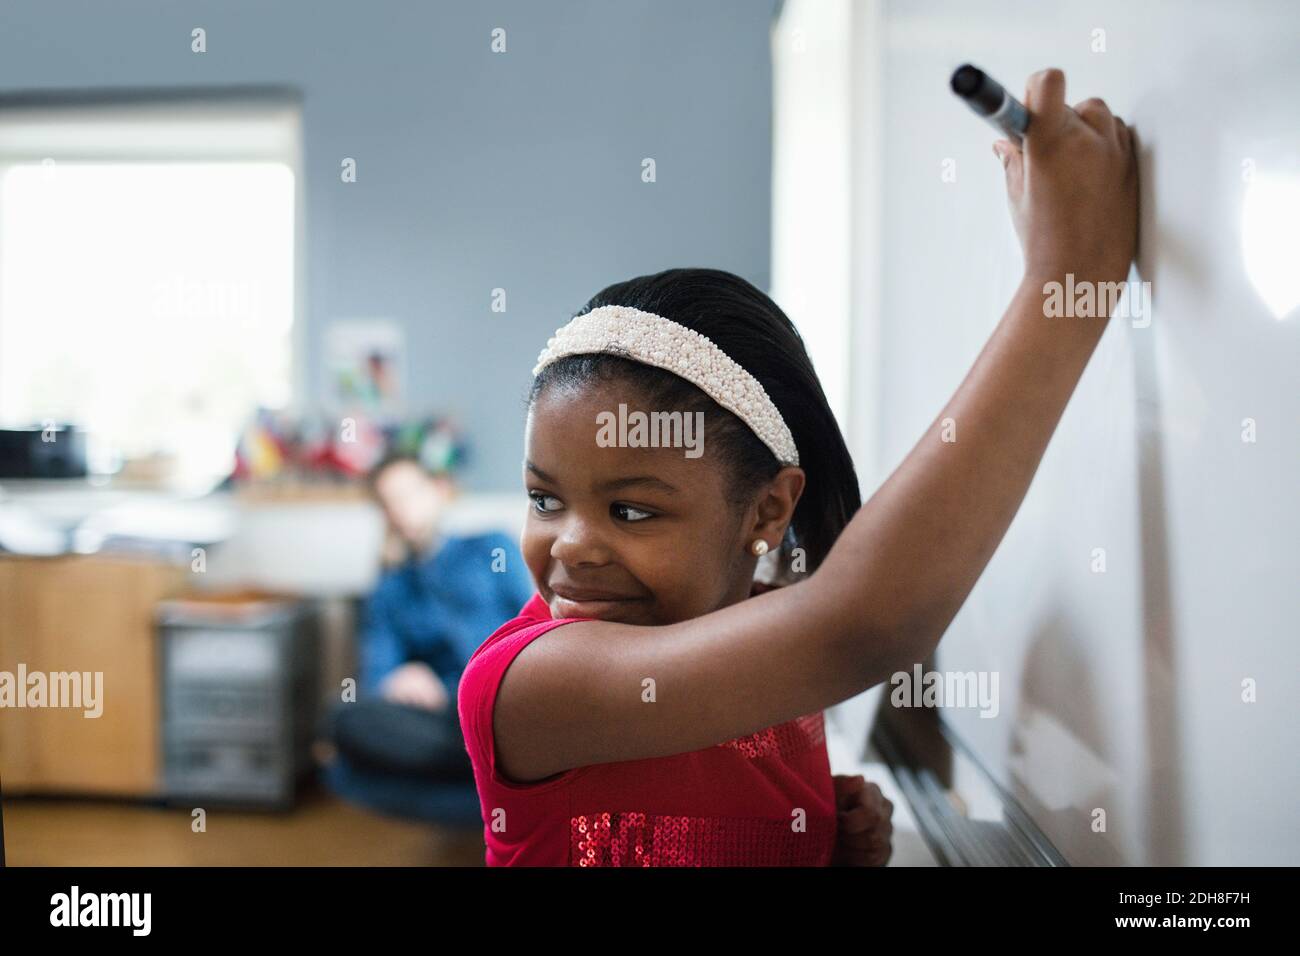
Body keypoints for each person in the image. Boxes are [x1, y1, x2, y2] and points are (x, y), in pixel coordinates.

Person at [457, 68, 1137, 865]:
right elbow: (862, 626)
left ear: (768, 511)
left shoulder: (769, 647)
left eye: (631, 510)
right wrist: (1067, 282)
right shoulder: (531, 684)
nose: (570, 545)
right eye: (544, 499)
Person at [326, 452, 534, 796]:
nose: (402, 508)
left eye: (409, 493)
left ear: (438, 490)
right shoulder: (391, 586)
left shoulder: (490, 547)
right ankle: (497, 767)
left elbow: (532, 623)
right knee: (343, 719)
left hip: (507, 699)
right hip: (444, 716)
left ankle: (498, 759)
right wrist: (400, 679)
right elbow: (376, 674)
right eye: (389, 501)